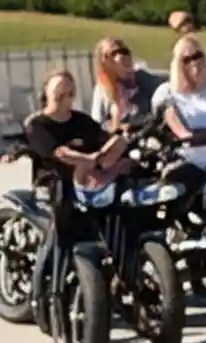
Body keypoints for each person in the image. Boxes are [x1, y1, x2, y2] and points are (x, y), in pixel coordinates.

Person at [23, 70, 131, 313]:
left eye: (69, 93)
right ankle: (41, 293)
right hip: (52, 185)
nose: (65, 99)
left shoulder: (82, 121)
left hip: (87, 183)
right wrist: (89, 159)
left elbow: (106, 143)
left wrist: (119, 147)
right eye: (59, 94)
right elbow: (59, 152)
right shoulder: (37, 124)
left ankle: (125, 274)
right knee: (60, 227)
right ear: (46, 95)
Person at [152, 35, 206, 296]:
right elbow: (174, 124)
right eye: (187, 58)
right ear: (177, 63)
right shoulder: (167, 92)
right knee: (184, 209)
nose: (195, 62)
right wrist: (188, 136)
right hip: (182, 160)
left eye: (198, 55)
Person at [89, 38, 163, 130]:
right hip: (120, 136)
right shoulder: (102, 89)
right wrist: (116, 126)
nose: (120, 56)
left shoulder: (142, 78)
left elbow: (163, 91)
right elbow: (97, 124)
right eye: (113, 54)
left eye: (124, 51)